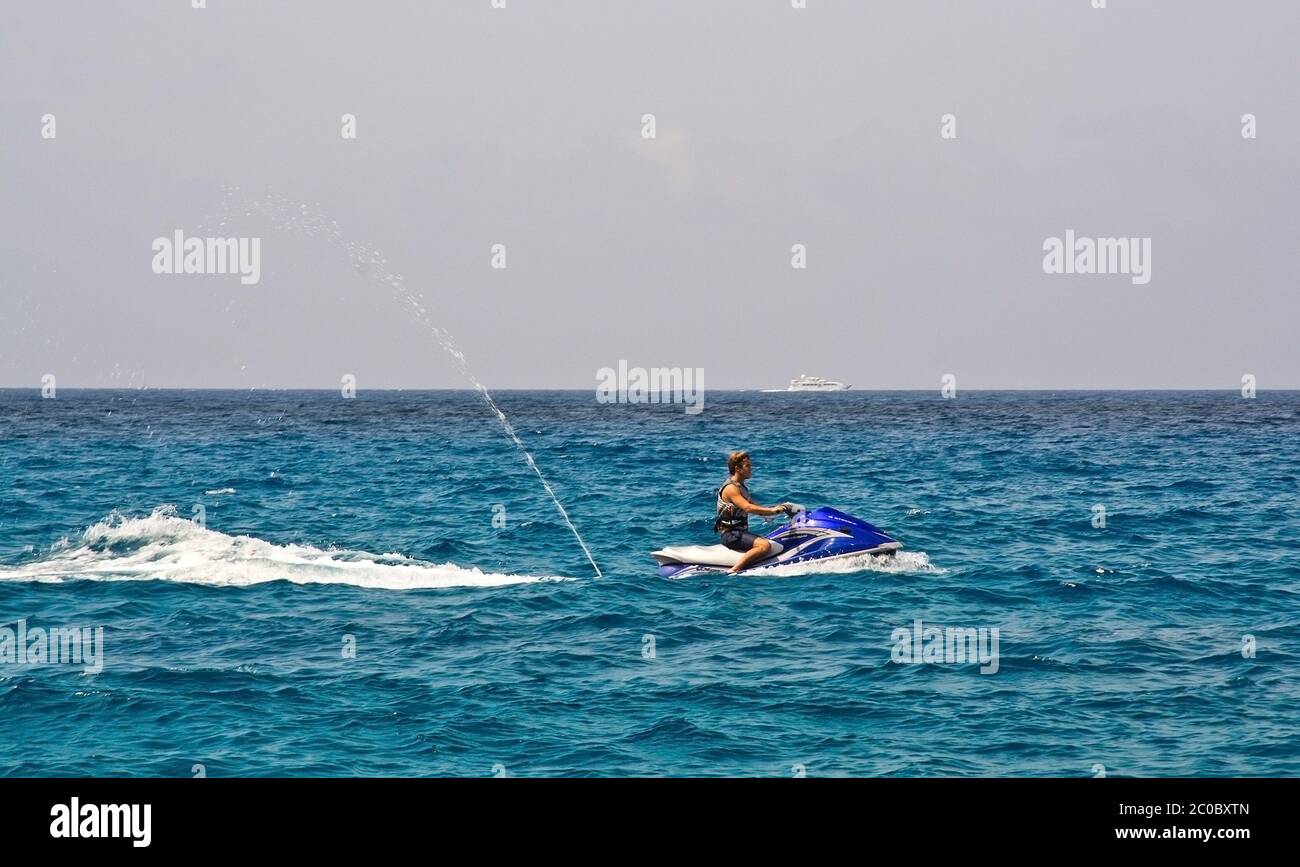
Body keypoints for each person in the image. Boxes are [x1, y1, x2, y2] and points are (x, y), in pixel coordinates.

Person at [714, 450, 794, 573]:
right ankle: (735, 570)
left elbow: (753, 504)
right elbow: (747, 507)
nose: (751, 469)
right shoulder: (731, 488)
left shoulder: (740, 487)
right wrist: (772, 510)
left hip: (738, 533)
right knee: (764, 545)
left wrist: (771, 512)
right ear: (737, 468)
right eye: (748, 466)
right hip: (731, 535)